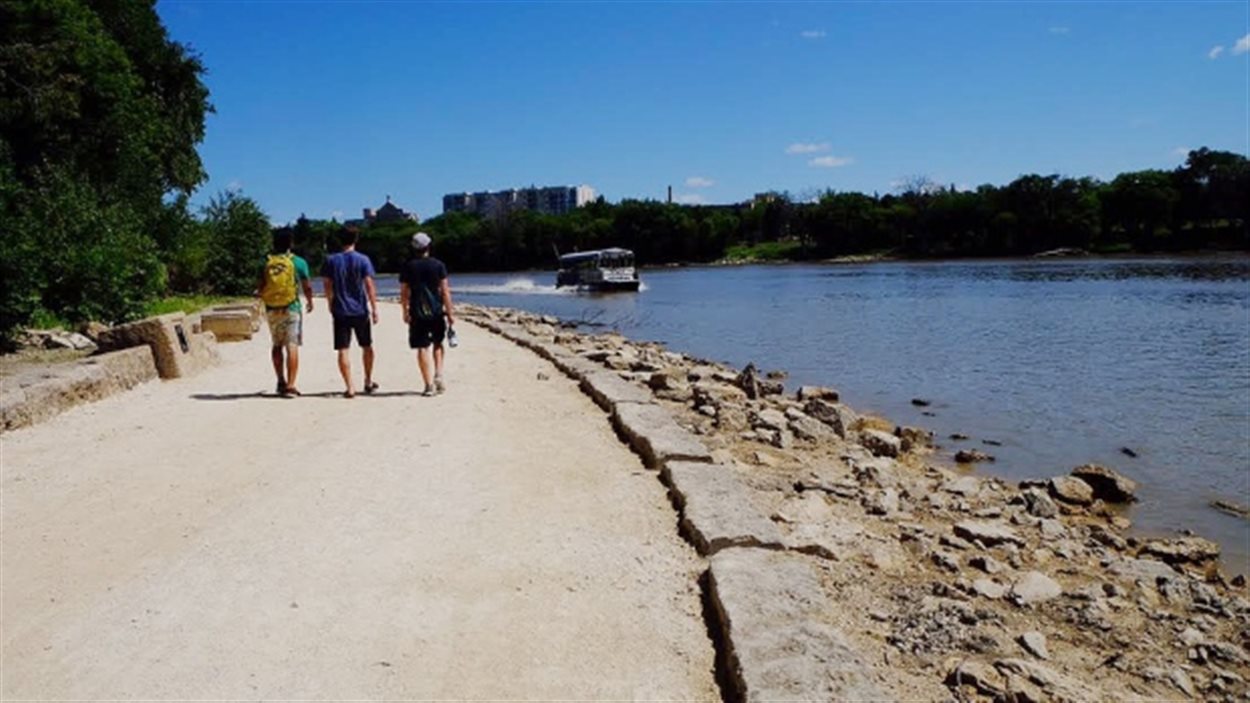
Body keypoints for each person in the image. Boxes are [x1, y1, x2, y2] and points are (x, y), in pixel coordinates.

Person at [321, 226, 380, 398]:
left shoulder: (331, 260)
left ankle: (350, 386)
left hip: (340, 309)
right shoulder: (363, 260)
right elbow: (369, 285)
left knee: (343, 349)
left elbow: (327, 284)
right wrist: (374, 308)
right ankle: (368, 380)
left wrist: (330, 302)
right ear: (356, 239)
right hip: (360, 310)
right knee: (367, 346)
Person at [258, 230, 314, 396]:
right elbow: (307, 286)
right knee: (292, 345)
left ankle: (280, 381)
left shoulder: (265, 261)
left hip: (271, 308)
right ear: (291, 243)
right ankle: (291, 385)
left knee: (276, 345)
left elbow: (260, 286)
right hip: (292, 308)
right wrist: (310, 301)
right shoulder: (298, 262)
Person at [399, 231, 454, 396]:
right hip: (436, 311)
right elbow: (445, 291)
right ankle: (438, 372)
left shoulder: (408, 266)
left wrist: (405, 311)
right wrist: (450, 312)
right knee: (438, 343)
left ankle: (428, 385)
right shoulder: (438, 265)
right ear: (428, 246)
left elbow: (404, 293)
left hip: (417, 312)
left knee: (422, 348)